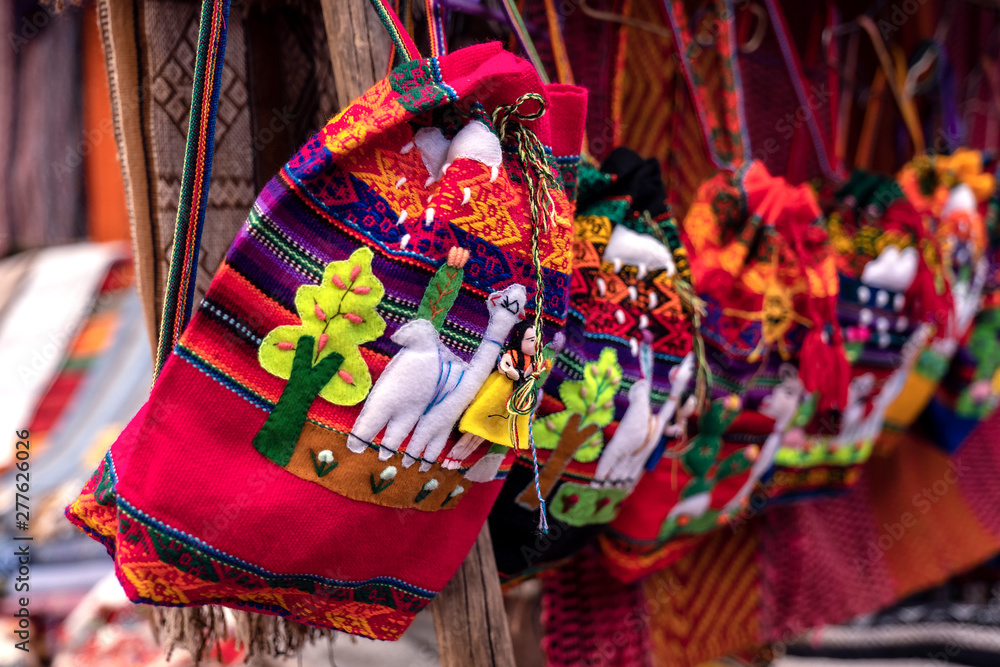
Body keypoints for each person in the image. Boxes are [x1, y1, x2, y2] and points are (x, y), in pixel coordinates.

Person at [443, 320, 537, 468]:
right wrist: (511, 372)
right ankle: (453, 455)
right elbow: (503, 366)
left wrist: (532, 372)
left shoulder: (532, 360)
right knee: (477, 427)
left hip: (512, 399)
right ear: (519, 340)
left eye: (537, 339)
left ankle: (460, 459)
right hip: (497, 394)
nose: (536, 344)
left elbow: (529, 375)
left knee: (484, 434)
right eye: (531, 340)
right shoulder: (511, 354)